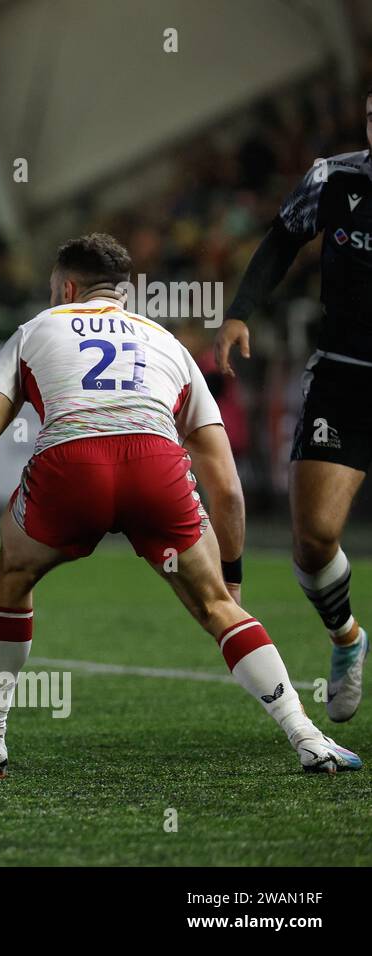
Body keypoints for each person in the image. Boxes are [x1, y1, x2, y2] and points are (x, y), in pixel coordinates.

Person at [0, 233, 359, 778]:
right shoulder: (171, 345)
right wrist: (231, 576)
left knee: (11, 580)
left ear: (66, 287)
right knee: (218, 610)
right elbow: (225, 483)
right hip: (155, 465)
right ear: (122, 295)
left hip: (71, 469)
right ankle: (307, 738)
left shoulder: (34, 331)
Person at [215, 89, 372, 722]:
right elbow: (281, 240)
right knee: (312, 540)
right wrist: (239, 314)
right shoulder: (333, 178)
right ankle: (347, 639)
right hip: (343, 377)